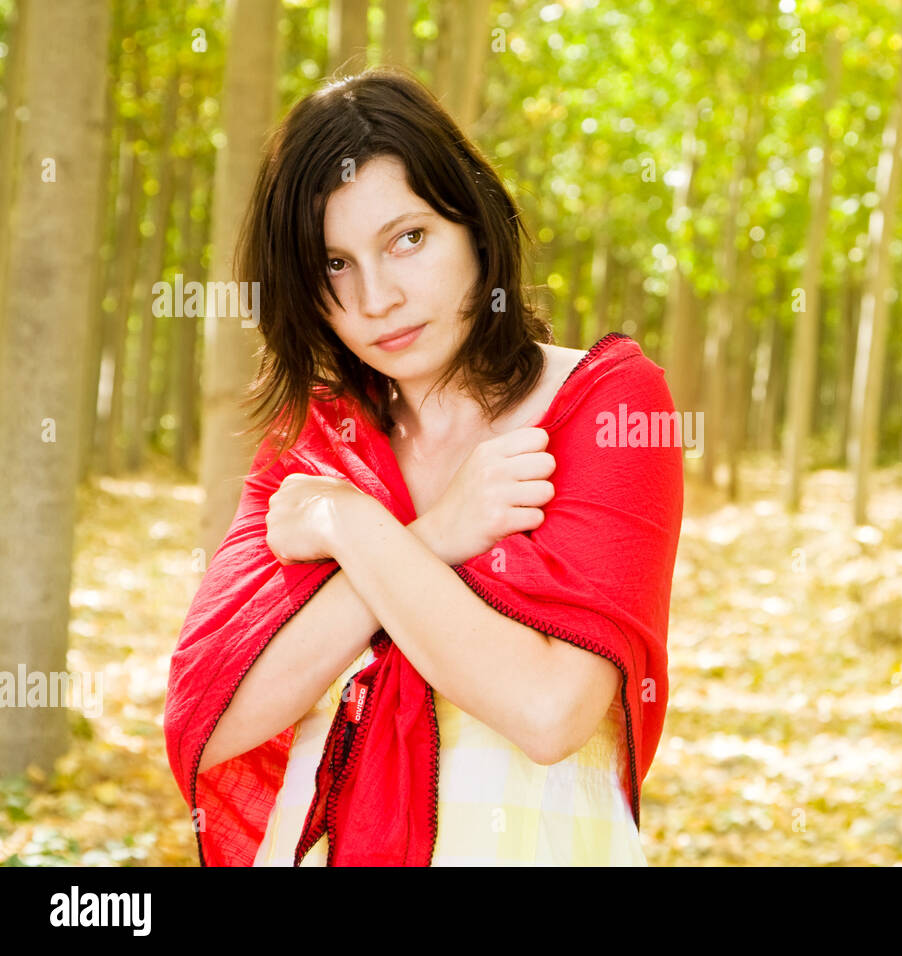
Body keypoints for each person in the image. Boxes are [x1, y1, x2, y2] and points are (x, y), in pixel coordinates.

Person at [164, 67, 683, 866]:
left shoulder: (610, 406)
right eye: (336, 264)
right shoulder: (316, 442)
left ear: (475, 226)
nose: (378, 298)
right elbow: (214, 716)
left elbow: (549, 712)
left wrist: (349, 523)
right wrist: (434, 533)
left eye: (408, 239)